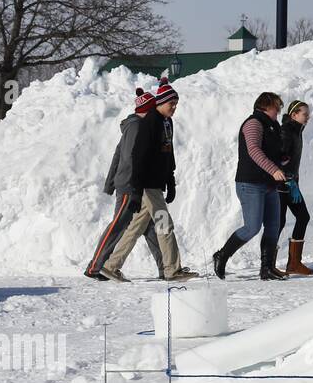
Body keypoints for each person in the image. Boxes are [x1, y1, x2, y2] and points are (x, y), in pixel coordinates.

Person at [100, 78, 195, 282]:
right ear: (160, 102)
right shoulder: (149, 123)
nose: (175, 107)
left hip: (157, 185)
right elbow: (138, 157)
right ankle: (172, 269)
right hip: (148, 185)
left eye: (176, 104)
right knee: (164, 224)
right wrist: (135, 190)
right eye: (172, 103)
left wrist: (170, 181)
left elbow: (168, 154)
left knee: (136, 227)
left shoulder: (167, 122)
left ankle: (111, 266)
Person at [84, 88, 167, 281]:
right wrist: (131, 184)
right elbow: (130, 158)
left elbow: (117, 154)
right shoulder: (137, 127)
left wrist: (110, 182)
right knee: (118, 225)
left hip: (137, 184)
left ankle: (166, 268)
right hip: (132, 185)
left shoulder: (136, 126)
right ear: (147, 109)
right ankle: (95, 267)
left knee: (150, 226)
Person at [212, 92, 289, 281]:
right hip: (251, 183)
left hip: (269, 183)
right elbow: (254, 150)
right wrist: (273, 169)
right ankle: (222, 255)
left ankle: (267, 269)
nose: (279, 110)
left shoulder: (273, 125)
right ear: (266, 105)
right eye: (277, 106)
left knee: (273, 225)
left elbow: (270, 150)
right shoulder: (253, 123)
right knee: (252, 227)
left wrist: (282, 158)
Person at [277, 99, 313, 276]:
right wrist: (288, 180)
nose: (308, 117)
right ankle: (268, 263)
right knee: (278, 222)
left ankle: (294, 263)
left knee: (302, 217)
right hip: (282, 184)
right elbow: (280, 158)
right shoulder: (286, 131)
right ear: (294, 115)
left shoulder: (296, 130)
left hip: (292, 183)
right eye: (304, 114)